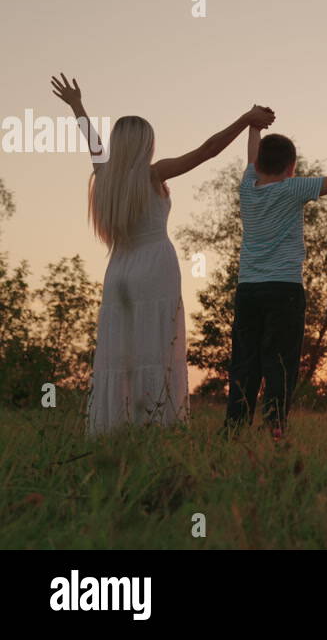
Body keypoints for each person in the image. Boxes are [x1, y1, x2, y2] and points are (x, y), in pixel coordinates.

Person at [51, 73, 275, 434]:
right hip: (156, 266)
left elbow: (91, 142)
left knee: (121, 351)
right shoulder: (155, 174)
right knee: (155, 348)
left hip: (119, 271)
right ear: (145, 145)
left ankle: (116, 425)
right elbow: (207, 150)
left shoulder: (105, 177)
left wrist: (77, 106)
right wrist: (245, 119)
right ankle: (156, 424)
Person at [222, 129, 327, 438]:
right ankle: (275, 426)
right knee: (279, 363)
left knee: (244, 363)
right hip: (283, 289)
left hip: (247, 289)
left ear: (258, 164)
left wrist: (254, 127)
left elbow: (251, 155)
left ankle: (234, 427)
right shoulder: (293, 189)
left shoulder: (247, 188)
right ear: (292, 167)